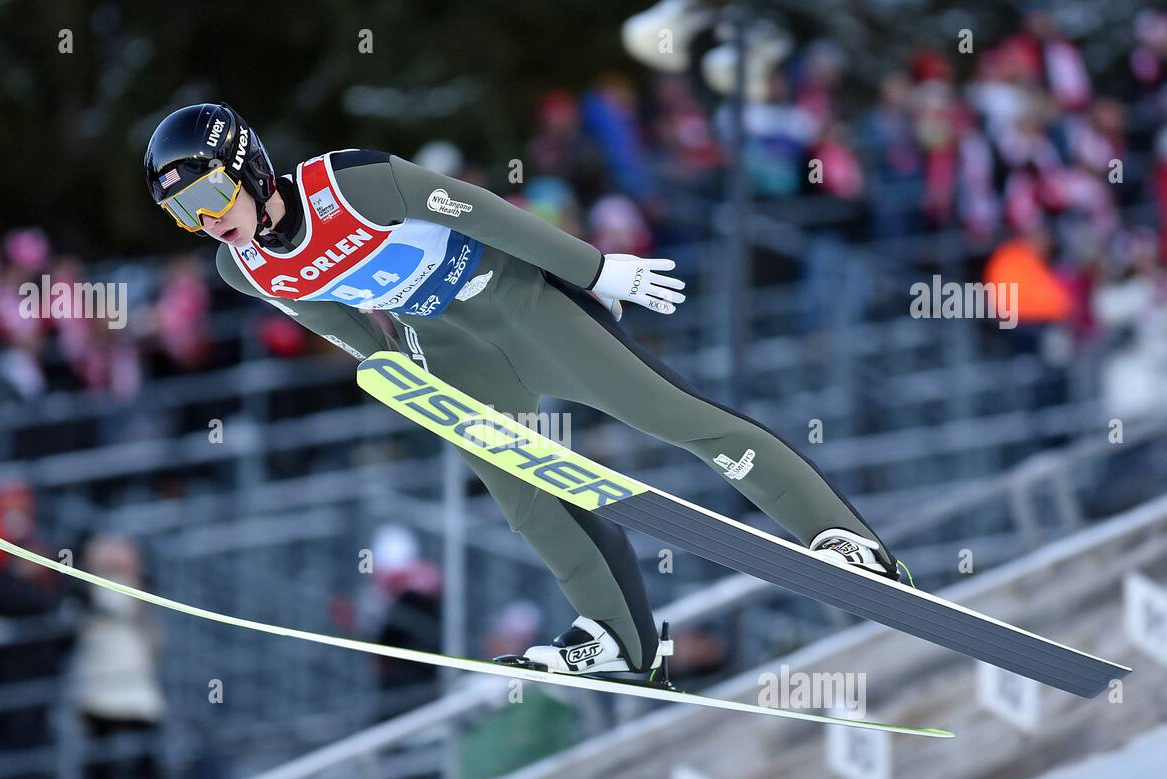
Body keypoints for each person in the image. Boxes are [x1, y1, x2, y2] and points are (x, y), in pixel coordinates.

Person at [142, 102, 905, 678]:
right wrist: (394, 372)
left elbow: (481, 210)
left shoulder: (350, 183)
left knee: (674, 416)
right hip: (446, 347)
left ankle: (842, 538)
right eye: (183, 214)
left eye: (208, 197)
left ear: (245, 168)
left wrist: (594, 268)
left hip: (516, 303)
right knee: (522, 494)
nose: (207, 223)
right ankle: (620, 634)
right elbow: (336, 322)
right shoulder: (243, 267)